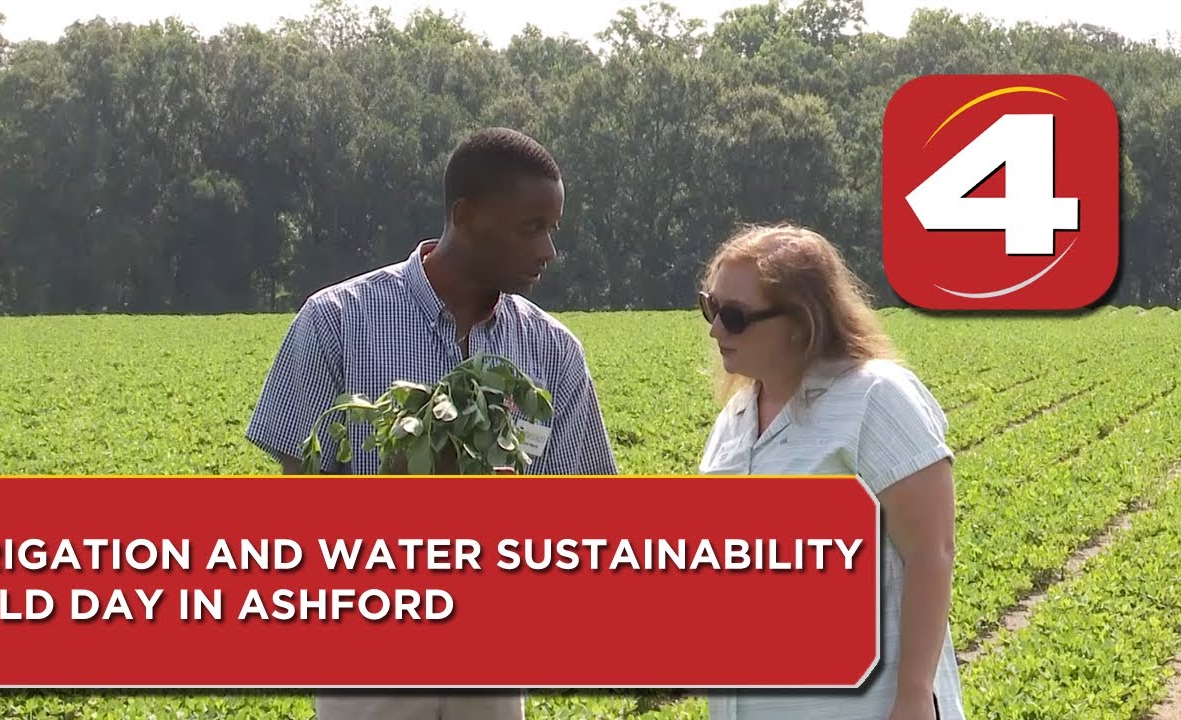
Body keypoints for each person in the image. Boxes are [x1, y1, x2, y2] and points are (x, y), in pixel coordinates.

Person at [244, 127, 619, 720]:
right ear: (466, 218)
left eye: (552, 229)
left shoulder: (550, 351)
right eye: (531, 228)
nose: (548, 250)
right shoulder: (338, 321)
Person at [696, 223, 964, 720]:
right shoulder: (734, 420)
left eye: (734, 316)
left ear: (800, 320)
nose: (715, 330)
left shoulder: (875, 397)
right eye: (710, 307)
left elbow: (932, 551)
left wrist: (913, 696)